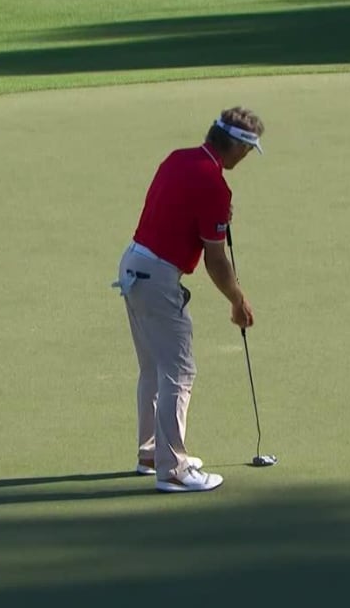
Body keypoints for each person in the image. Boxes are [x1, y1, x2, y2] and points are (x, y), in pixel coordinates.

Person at [112, 107, 264, 493]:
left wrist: (214, 215)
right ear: (237, 147)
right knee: (179, 372)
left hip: (133, 265)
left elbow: (180, 211)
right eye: (247, 152)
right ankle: (173, 469)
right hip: (159, 277)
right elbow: (216, 259)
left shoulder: (179, 158)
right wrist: (237, 300)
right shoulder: (215, 185)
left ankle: (150, 454)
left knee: (153, 369)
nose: (245, 160)